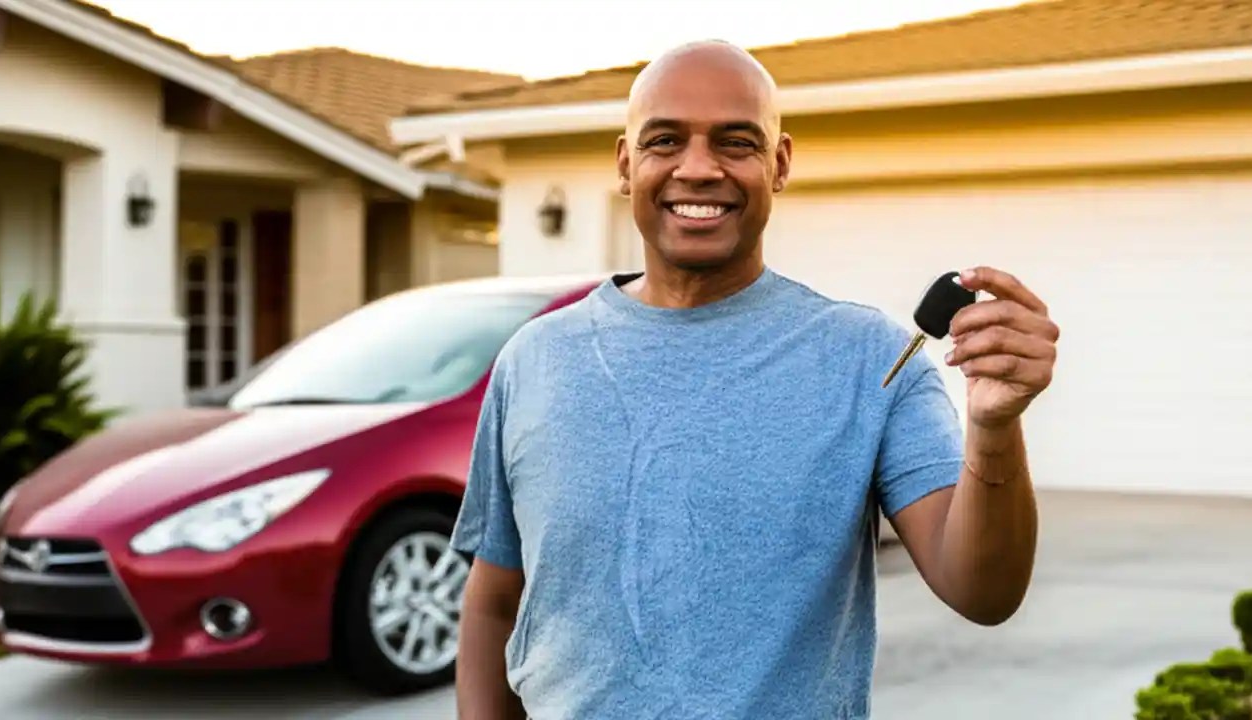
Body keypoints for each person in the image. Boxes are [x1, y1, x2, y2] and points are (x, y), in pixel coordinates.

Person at [450, 39, 1060, 720]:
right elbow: (494, 603)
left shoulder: (869, 360)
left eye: (736, 142)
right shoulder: (534, 360)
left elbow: (983, 590)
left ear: (780, 163)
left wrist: (995, 427)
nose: (699, 168)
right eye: (665, 141)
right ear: (627, 165)